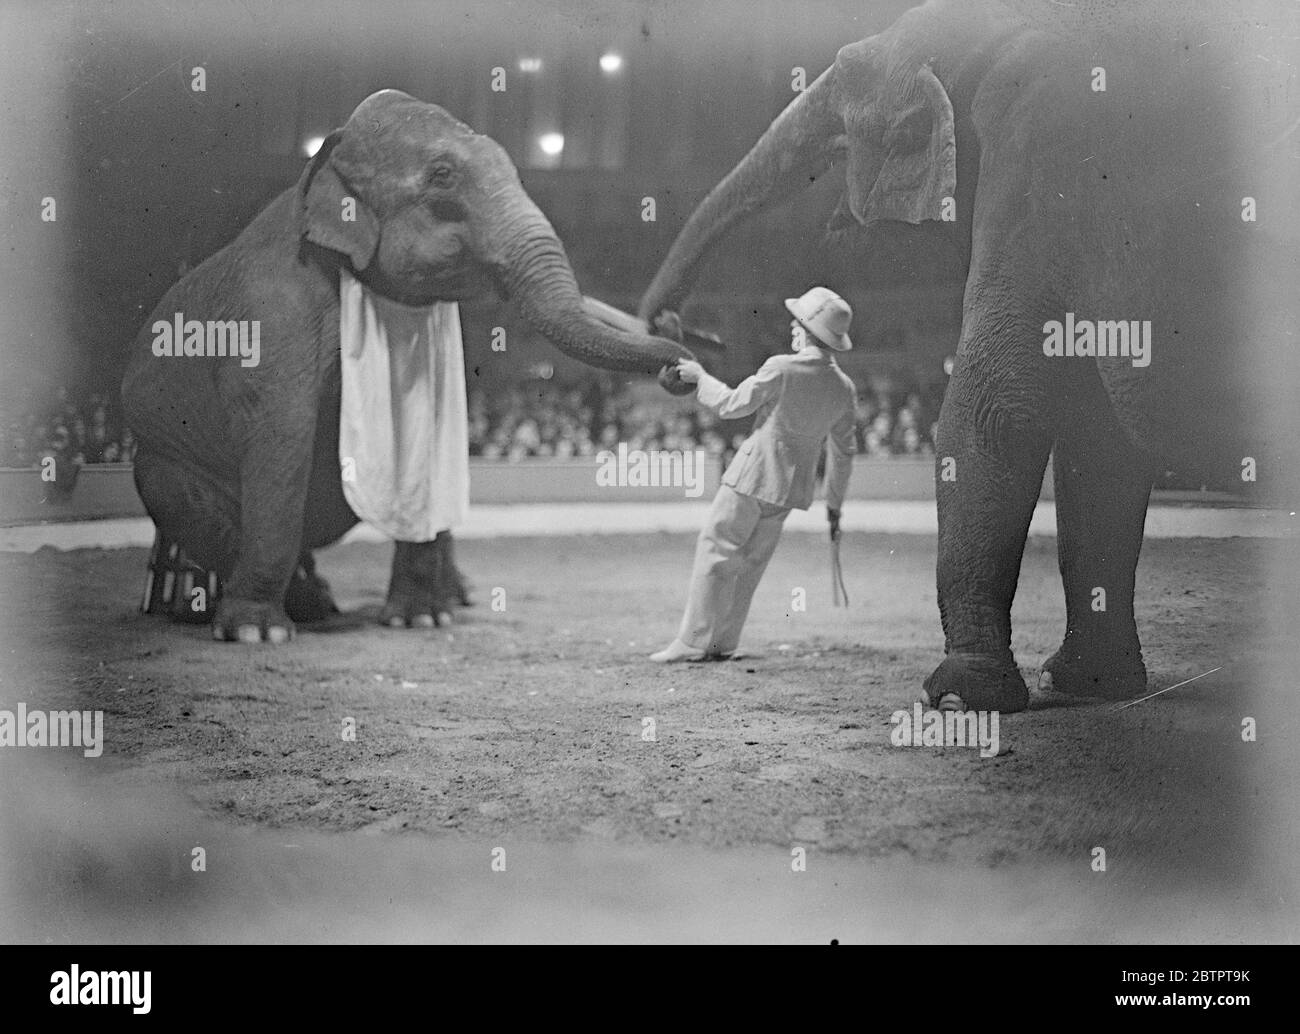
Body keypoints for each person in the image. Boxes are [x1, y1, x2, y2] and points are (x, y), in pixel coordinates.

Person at [650, 286, 858, 662]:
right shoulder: (843, 388)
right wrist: (835, 504)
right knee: (750, 564)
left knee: (716, 550)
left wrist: (699, 376)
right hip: (790, 490)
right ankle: (724, 643)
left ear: (804, 330)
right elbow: (844, 452)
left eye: (797, 322)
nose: (793, 328)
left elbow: (731, 405)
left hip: (752, 475)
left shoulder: (782, 367)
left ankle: (692, 642)